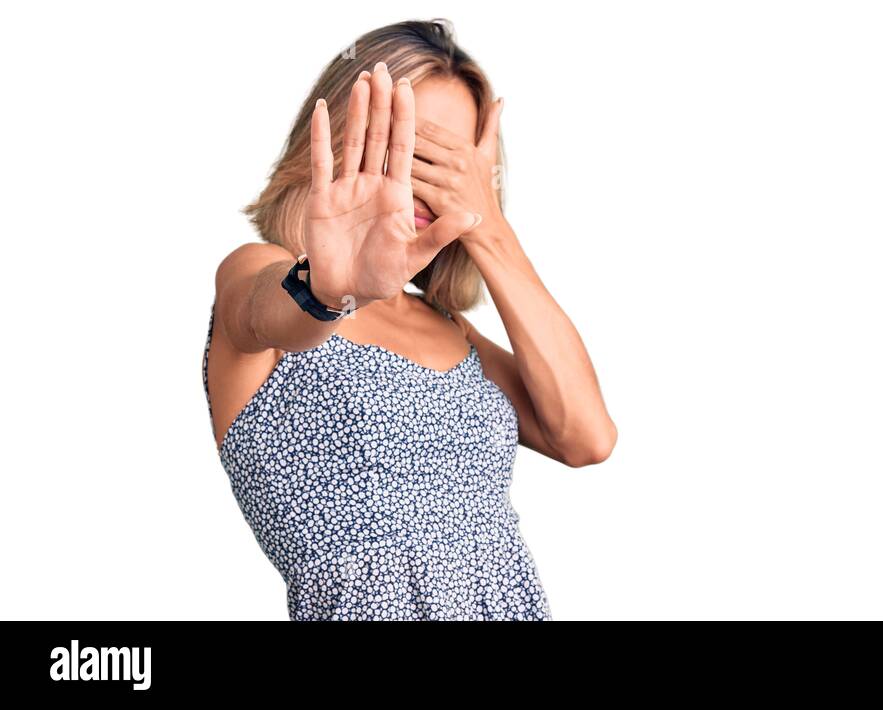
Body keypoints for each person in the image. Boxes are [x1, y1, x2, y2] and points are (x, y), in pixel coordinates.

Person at [202, 19, 617, 620]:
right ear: (347, 136)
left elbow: (587, 437)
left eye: (458, 165)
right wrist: (328, 288)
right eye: (414, 150)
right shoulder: (264, 274)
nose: (432, 182)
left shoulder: (449, 329)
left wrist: (491, 229)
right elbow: (264, 314)